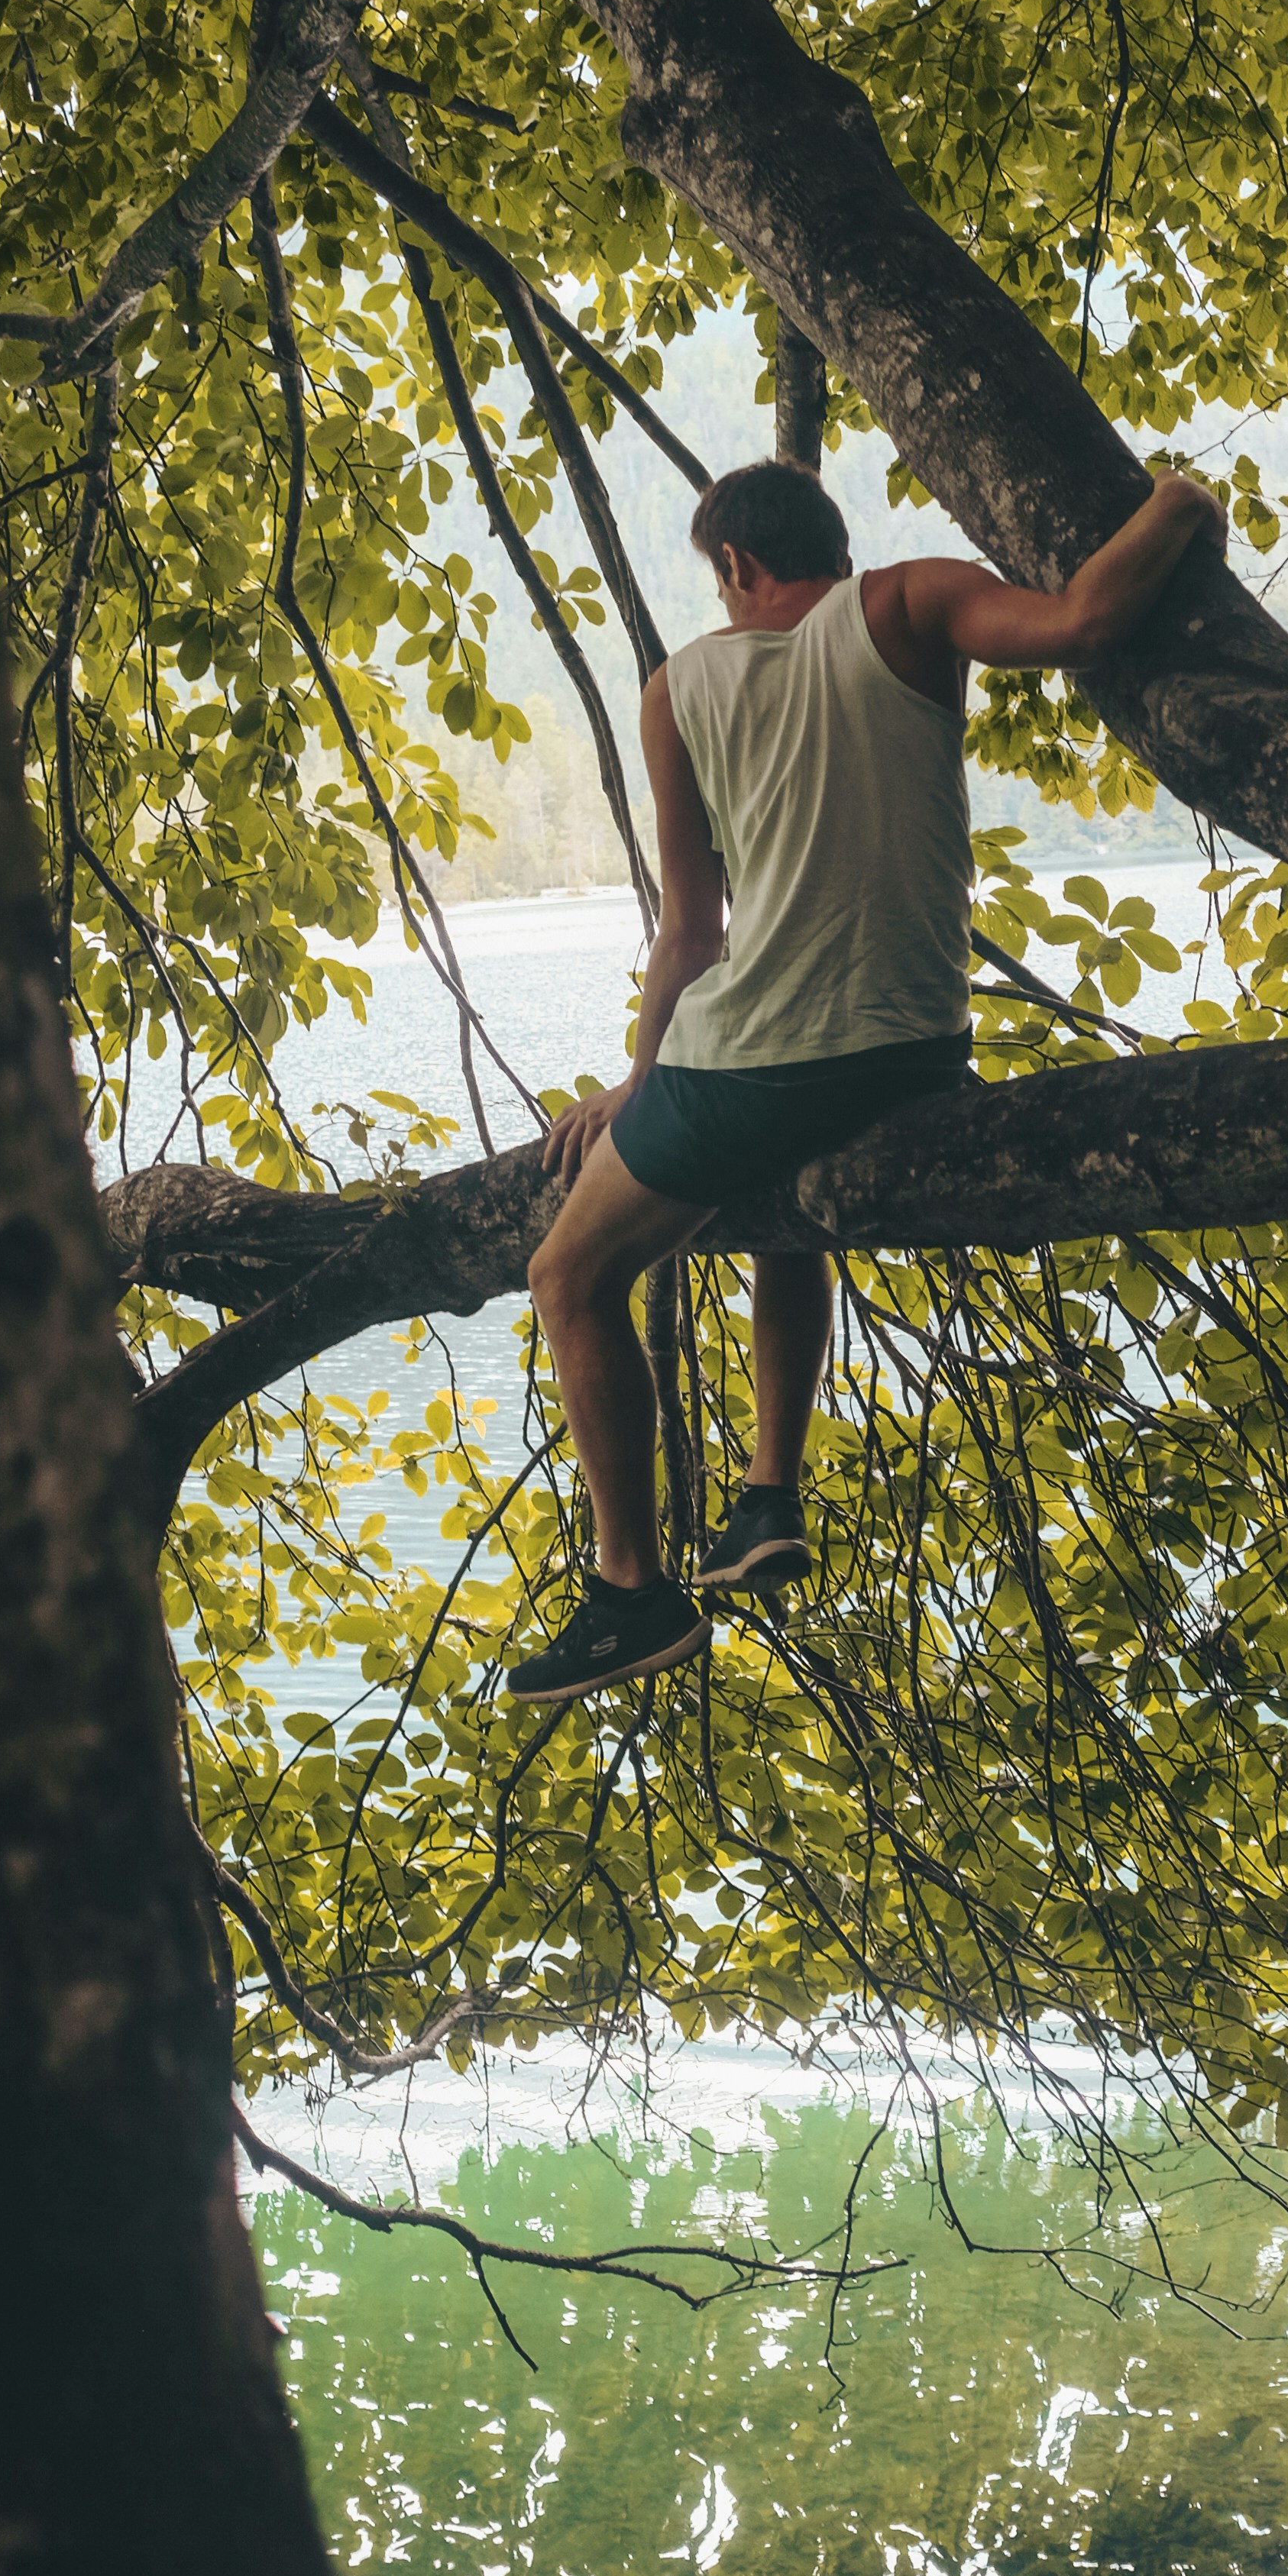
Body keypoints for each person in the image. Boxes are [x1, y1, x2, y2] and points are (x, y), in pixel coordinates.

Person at [508, 451, 1228, 1701]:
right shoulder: (909, 604)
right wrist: (1177, 502)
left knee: (567, 1275)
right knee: (785, 1204)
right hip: (913, 1049)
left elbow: (692, 929)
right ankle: (765, 1500)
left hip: (751, 1063)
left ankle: (630, 1590)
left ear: (735, 566)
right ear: (829, 548)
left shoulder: (679, 689)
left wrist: (642, 1080)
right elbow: (1081, 620)